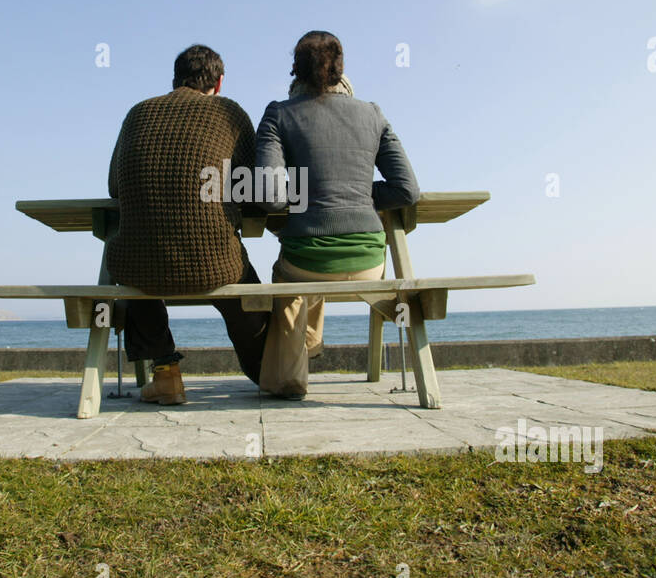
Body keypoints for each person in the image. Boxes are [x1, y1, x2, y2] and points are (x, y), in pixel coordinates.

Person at [255, 31, 420, 399]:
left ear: (295, 70)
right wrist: (359, 192)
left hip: (306, 259)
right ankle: (309, 344)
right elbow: (408, 190)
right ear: (340, 69)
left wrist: (310, 193)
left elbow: (268, 197)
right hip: (369, 263)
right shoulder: (372, 112)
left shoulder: (278, 114)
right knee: (310, 265)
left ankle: (291, 378)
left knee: (289, 277)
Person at [105, 44, 269, 405]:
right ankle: (267, 371)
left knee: (133, 258)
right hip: (215, 259)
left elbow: (114, 186)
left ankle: (165, 372)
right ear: (219, 82)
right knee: (247, 294)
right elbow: (253, 191)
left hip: (141, 265)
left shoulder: (138, 113)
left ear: (176, 78)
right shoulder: (229, 113)